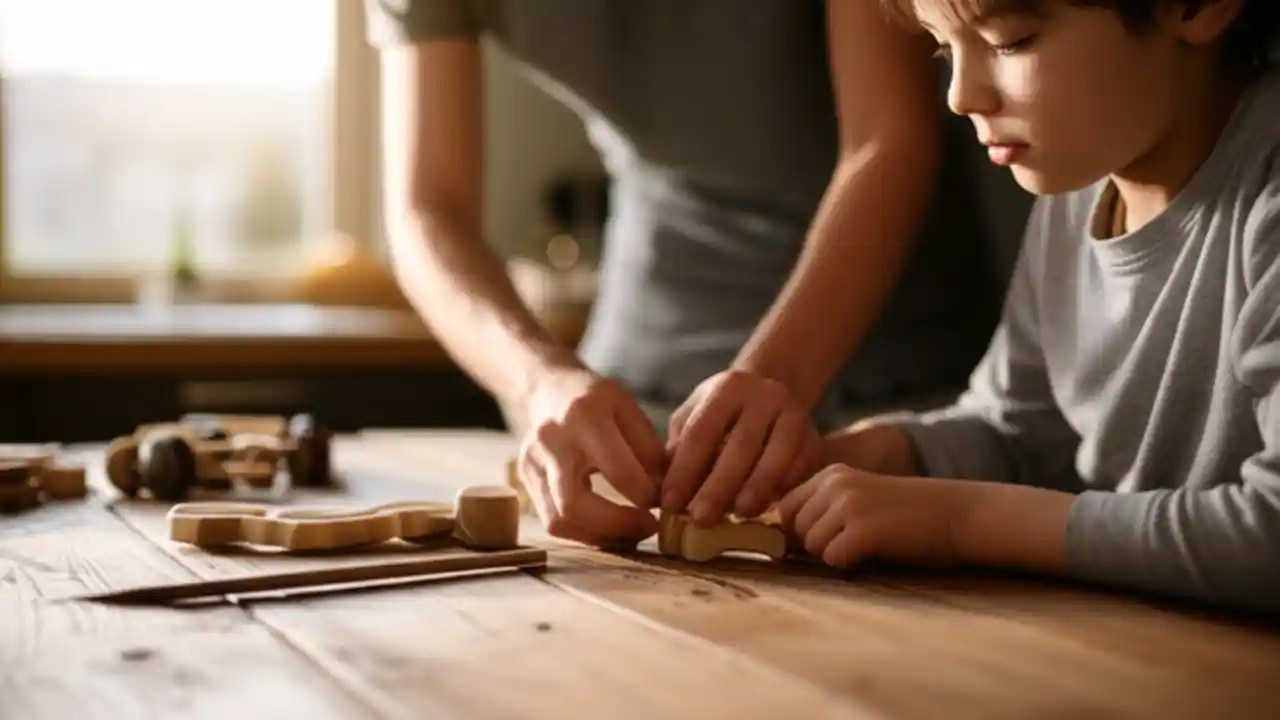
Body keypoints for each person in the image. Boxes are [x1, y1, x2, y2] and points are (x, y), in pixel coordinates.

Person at [365, 1, 1002, 546]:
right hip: (637, 393)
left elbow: (887, 140)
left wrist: (774, 380)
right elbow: (428, 209)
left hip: (892, 388)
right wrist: (540, 385)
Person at [782, 0, 1280, 612]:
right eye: (944, 49)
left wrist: (962, 521)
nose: (960, 97)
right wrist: (878, 455)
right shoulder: (1082, 182)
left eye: (1010, 42)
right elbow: (1021, 434)